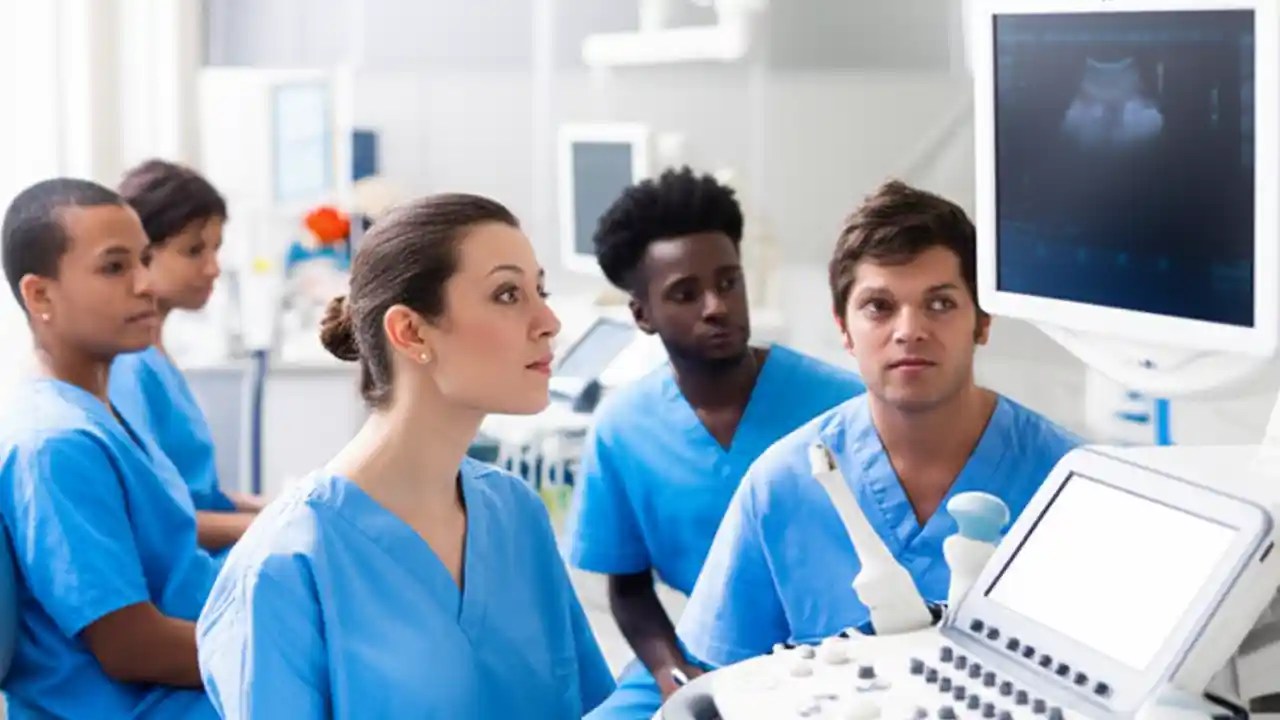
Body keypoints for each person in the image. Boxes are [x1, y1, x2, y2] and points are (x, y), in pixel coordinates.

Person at [196, 193, 615, 718]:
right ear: (411, 332)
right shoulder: (287, 563)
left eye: (541, 290)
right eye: (508, 294)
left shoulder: (515, 514)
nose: (549, 321)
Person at [672, 180, 1082, 677]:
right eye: (879, 307)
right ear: (843, 328)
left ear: (983, 321)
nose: (909, 330)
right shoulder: (781, 486)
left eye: (940, 304)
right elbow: (724, 684)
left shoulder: (1071, 486)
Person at [567, 167, 865, 718]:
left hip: (836, 662)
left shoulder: (844, 408)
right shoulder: (623, 429)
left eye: (728, 281)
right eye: (686, 293)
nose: (716, 306)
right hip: (703, 661)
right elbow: (628, 588)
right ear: (642, 314)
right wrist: (669, 671)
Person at [0, 178, 219, 718]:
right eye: (115, 267)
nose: (146, 284)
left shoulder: (98, 413)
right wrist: (281, 653)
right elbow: (131, 647)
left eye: (145, 261)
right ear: (40, 295)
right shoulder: (54, 443)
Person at [109, 159, 264, 558]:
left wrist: (274, 507)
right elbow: (155, 516)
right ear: (140, 254)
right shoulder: (127, 367)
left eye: (216, 249)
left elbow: (195, 494)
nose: (213, 268)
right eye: (194, 251)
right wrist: (268, 524)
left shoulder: (154, 356)